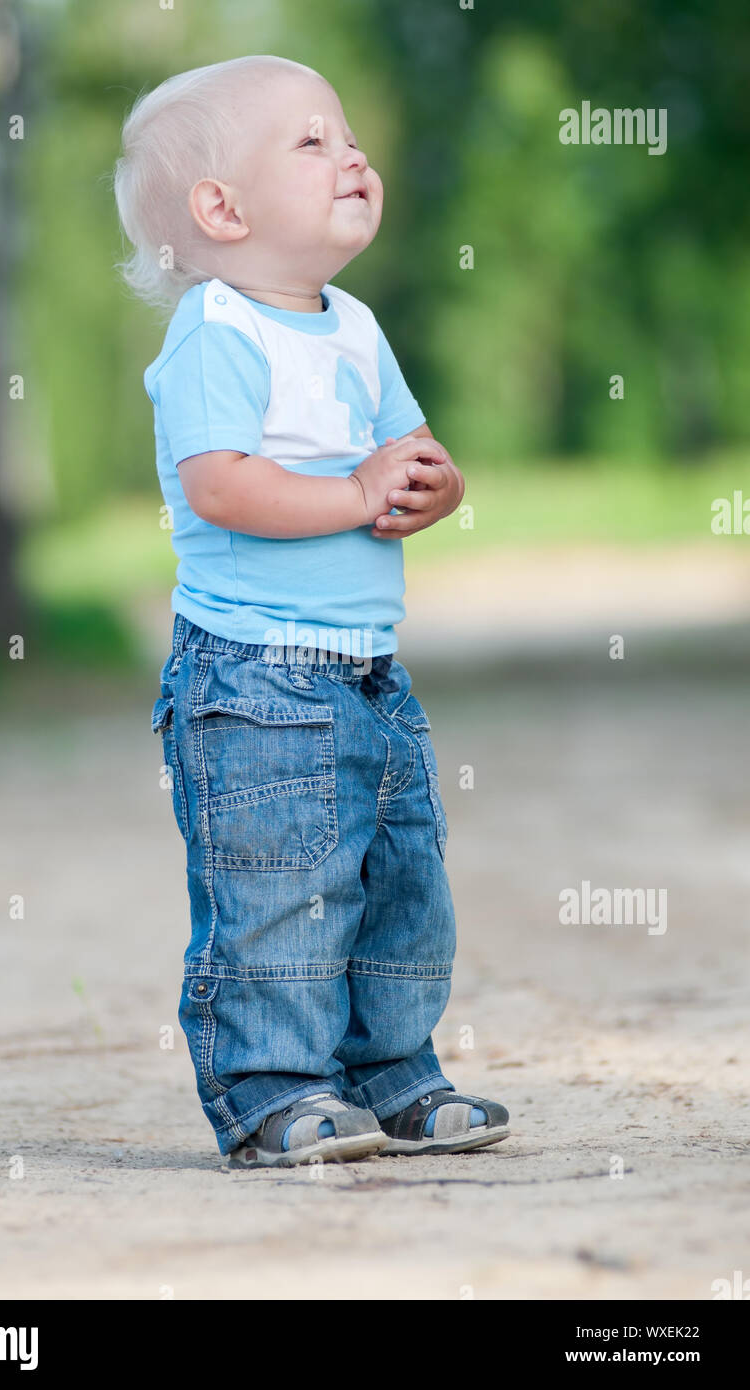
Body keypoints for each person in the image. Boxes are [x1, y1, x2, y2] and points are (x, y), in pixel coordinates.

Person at [113, 54, 510, 1167]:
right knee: (280, 892)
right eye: (311, 141)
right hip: (251, 677)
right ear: (220, 210)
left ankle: (392, 1072)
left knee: (399, 880)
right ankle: (273, 1090)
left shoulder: (355, 326)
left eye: (349, 137)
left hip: (368, 670)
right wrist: (350, 492)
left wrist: (433, 488)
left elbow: (409, 455)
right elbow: (219, 483)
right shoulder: (217, 329)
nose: (351, 154)